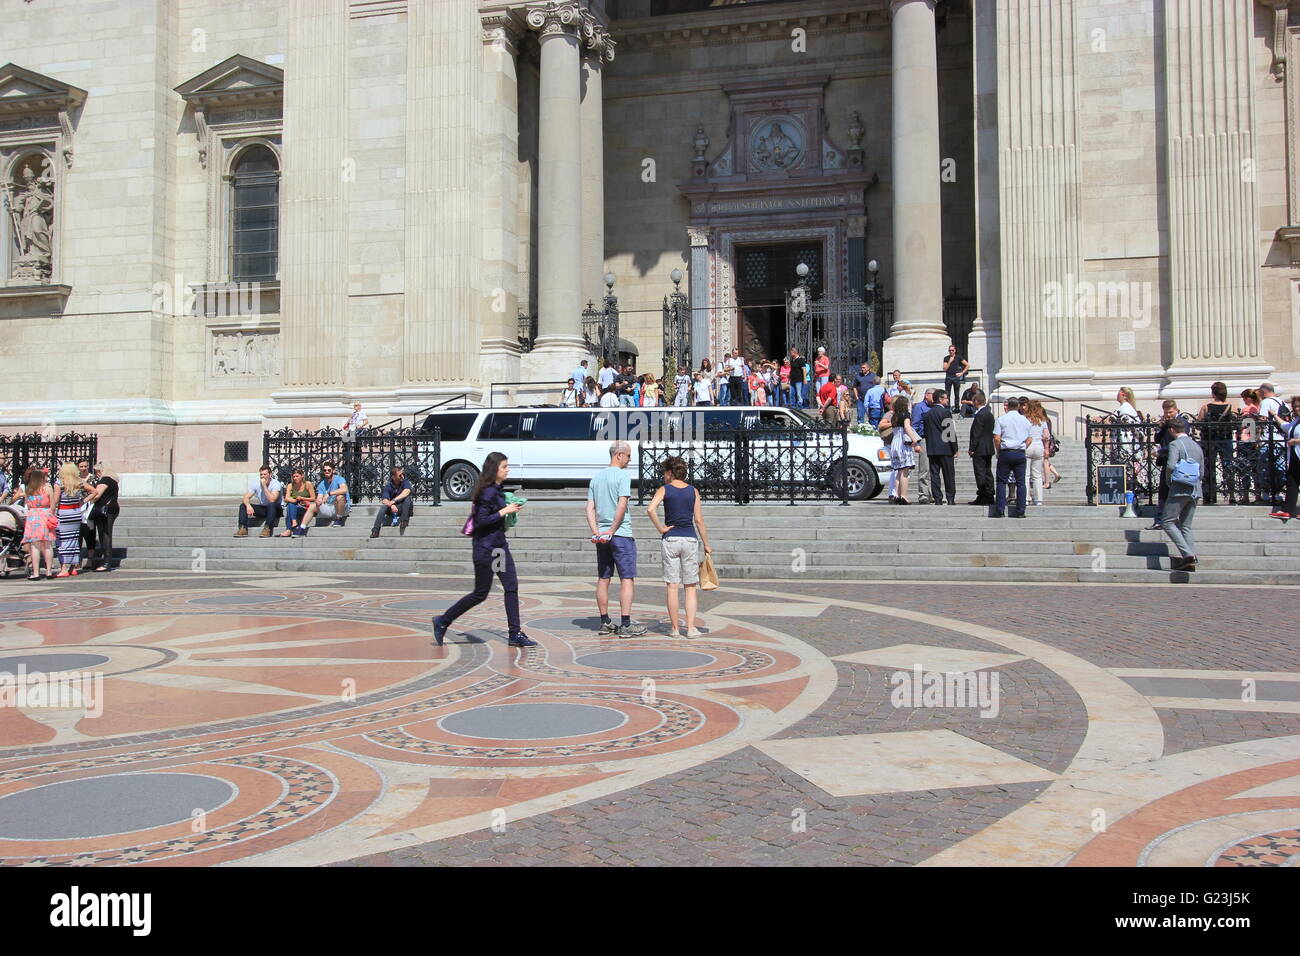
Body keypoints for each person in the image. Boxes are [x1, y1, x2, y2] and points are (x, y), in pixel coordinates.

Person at [432, 451, 536, 648]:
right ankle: (443, 620)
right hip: (486, 549)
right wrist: (504, 511)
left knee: (511, 586)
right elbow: (481, 521)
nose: (508, 470)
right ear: (494, 469)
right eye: (504, 467)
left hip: (498, 548)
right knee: (480, 593)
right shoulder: (487, 491)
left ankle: (515, 634)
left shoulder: (497, 489)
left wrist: (509, 509)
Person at [645, 455, 712, 638]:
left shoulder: (664, 489)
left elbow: (651, 509)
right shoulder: (693, 491)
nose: (663, 476)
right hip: (690, 539)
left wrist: (661, 528)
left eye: (664, 473)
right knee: (690, 586)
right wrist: (706, 544)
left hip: (671, 539)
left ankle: (674, 629)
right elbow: (698, 520)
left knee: (672, 586)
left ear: (669, 472)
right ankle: (690, 628)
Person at [586, 441, 646, 638]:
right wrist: (612, 529)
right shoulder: (622, 476)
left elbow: (589, 508)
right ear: (619, 455)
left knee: (603, 579)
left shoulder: (596, 478)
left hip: (601, 536)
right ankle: (626, 624)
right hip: (621, 534)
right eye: (628, 456)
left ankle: (605, 622)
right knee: (626, 579)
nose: (630, 460)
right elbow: (621, 505)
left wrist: (597, 532)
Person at [1160, 418, 1204, 572]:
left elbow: (1171, 465)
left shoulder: (1174, 444)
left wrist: (1168, 480)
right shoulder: (1197, 446)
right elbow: (1202, 471)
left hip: (1180, 488)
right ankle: (1191, 558)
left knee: (1167, 521)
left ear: (1172, 430)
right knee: (1186, 525)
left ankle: (1187, 555)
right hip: (1195, 488)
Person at [992, 396, 1034, 518]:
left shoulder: (1001, 419)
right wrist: (1022, 446)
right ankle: (1020, 511)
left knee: (1001, 482)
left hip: (1006, 451)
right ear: (1018, 406)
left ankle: (1000, 510)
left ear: (1008, 406)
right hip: (1019, 452)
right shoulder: (1025, 420)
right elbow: (1030, 438)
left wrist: (998, 450)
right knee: (1021, 482)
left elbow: (996, 437)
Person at [1196, 381, 1235, 505]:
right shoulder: (1229, 406)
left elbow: (1198, 423)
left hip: (1210, 440)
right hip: (1225, 439)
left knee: (1209, 467)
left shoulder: (1206, 407)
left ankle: (1209, 496)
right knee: (1228, 466)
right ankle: (1231, 494)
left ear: (1213, 393)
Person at [81, 463, 120, 572]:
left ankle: (107, 562)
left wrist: (85, 499)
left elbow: (97, 494)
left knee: (105, 534)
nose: (97, 474)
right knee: (105, 534)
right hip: (111, 509)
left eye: (98, 471)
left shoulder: (105, 480)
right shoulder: (113, 481)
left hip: (105, 510)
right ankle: (106, 561)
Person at [20, 466, 56, 580]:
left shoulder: (29, 489)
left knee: (35, 546)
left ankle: (36, 573)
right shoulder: (47, 488)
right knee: (47, 545)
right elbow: (53, 505)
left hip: (33, 516)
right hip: (45, 515)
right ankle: (49, 572)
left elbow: (28, 504)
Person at [923, 390, 958, 505]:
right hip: (946, 448)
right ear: (940, 399)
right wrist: (955, 448)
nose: (947, 400)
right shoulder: (945, 413)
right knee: (948, 475)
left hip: (933, 449)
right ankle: (950, 498)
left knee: (935, 475)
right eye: (946, 398)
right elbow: (950, 432)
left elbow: (927, 432)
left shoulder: (927, 414)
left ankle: (937, 498)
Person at [1269, 395, 1300, 521]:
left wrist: (1296, 441)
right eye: (1295, 406)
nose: (1297, 408)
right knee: (1292, 483)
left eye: (1299, 406)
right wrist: (1275, 416)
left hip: (1296, 451)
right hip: (1294, 456)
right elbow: (1286, 427)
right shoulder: (1296, 421)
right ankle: (1287, 510)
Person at [50, 462, 83, 577]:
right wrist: (82, 502)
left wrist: (51, 513)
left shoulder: (59, 483)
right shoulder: (79, 483)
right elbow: (94, 491)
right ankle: (73, 567)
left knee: (62, 540)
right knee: (74, 540)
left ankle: (64, 568)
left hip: (63, 513)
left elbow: (55, 501)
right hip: (75, 513)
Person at [887, 396, 921, 504]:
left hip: (895, 443)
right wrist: (914, 439)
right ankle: (904, 496)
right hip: (902, 443)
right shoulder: (906, 415)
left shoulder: (894, 416)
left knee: (898, 471)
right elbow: (907, 427)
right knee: (905, 471)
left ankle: (896, 494)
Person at [967, 389, 995, 505]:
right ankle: (989, 493)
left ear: (977, 401)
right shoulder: (989, 414)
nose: (973, 404)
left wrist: (971, 448)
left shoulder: (980, 415)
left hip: (980, 449)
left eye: (974, 402)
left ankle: (983, 494)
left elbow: (976, 433)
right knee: (988, 472)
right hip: (988, 447)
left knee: (980, 472)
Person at [370, 465, 413, 537]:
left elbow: (407, 491)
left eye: (403, 474)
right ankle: (375, 530)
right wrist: (391, 505)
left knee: (407, 498)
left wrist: (394, 500)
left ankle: (404, 521)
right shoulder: (388, 486)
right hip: (394, 508)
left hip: (405, 508)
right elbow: (384, 500)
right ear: (393, 477)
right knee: (383, 507)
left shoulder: (405, 481)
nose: (402, 476)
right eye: (400, 475)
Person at [1023, 399, 1049, 506]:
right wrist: (1046, 448)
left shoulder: (1025, 419)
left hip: (1028, 445)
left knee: (1026, 474)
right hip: (1039, 445)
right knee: (1037, 475)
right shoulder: (1042, 420)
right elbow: (1047, 436)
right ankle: (1038, 499)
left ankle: (1026, 498)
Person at [911, 387, 934, 504]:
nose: (934, 398)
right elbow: (914, 425)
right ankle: (923, 495)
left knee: (933, 469)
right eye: (932, 395)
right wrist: (915, 442)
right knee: (924, 468)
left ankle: (932, 493)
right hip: (923, 439)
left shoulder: (935, 407)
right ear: (926, 395)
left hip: (935, 440)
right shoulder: (919, 407)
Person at [280, 467, 317, 537]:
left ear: (302, 475)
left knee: (290, 507)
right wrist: (295, 500)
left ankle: (288, 529)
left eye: (297, 476)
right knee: (290, 504)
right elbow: (286, 498)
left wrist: (302, 498)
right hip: (295, 506)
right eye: (293, 476)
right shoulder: (290, 485)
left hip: (305, 508)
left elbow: (313, 498)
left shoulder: (308, 484)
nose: (295, 478)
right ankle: (294, 522)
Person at [315, 460, 350, 526]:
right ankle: (302, 527)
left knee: (340, 496)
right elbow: (319, 497)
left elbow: (345, 489)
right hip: (330, 507)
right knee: (313, 505)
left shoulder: (339, 479)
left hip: (343, 509)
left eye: (329, 470)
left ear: (333, 471)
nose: (327, 472)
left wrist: (329, 493)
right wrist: (319, 501)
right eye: (325, 470)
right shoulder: (322, 484)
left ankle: (339, 519)